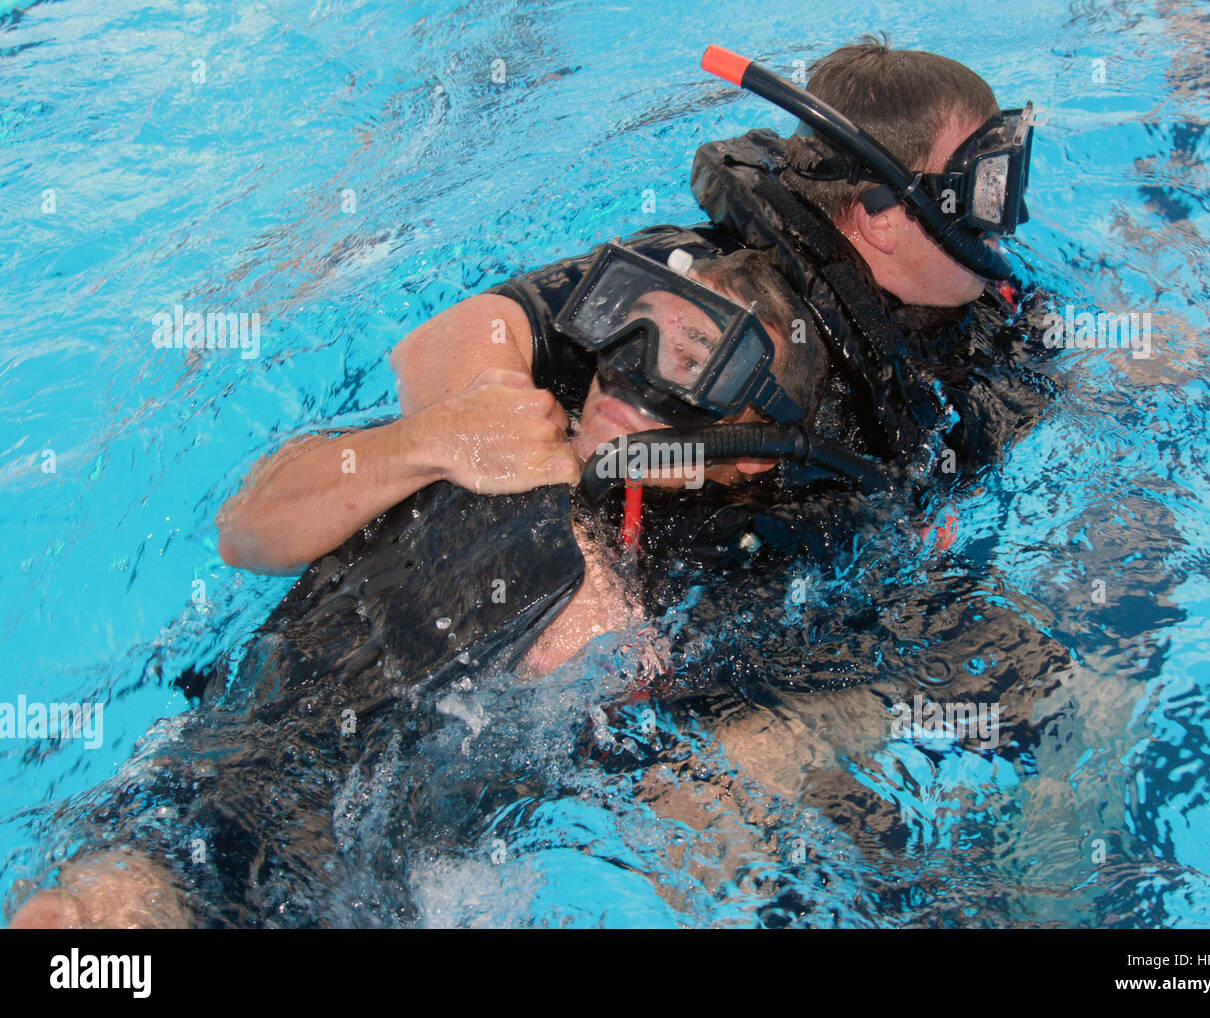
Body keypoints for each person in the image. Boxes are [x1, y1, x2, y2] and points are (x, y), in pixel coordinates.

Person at [8, 250, 834, 928]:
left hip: (397, 872)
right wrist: (430, 439)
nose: (635, 371)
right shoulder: (491, 427)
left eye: (694, 361)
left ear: (751, 448)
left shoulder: (737, 576)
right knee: (85, 921)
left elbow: (708, 803)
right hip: (227, 778)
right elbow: (245, 529)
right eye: (638, 327)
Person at [215, 34, 1056, 577]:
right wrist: (493, 439)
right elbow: (454, 333)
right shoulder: (704, 283)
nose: (1004, 216)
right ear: (880, 217)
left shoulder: (990, 327)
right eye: (983, 186)